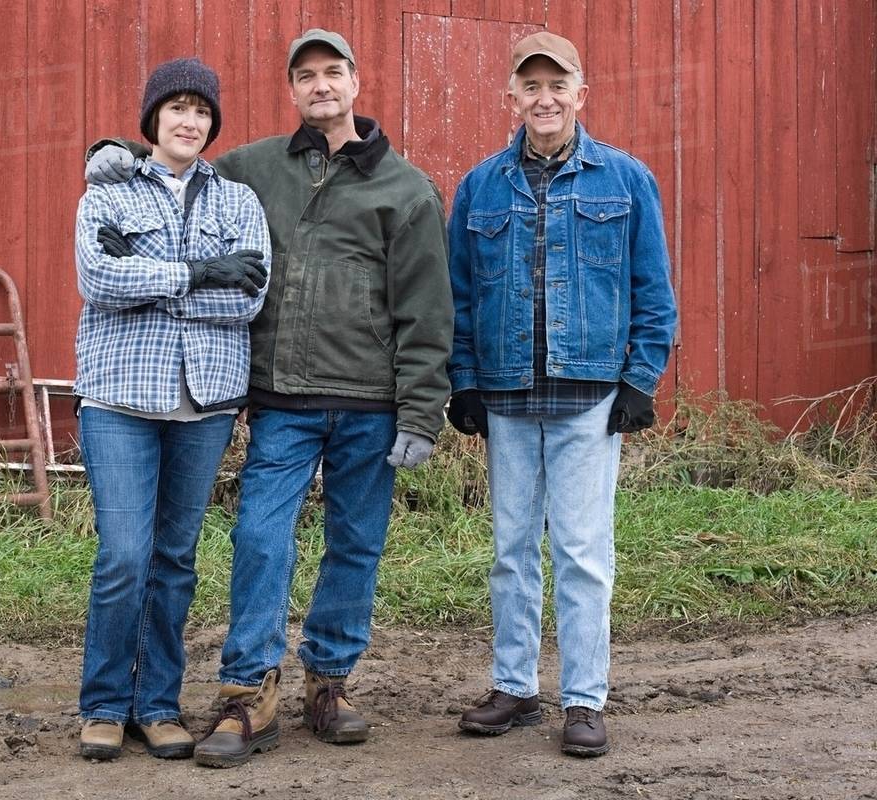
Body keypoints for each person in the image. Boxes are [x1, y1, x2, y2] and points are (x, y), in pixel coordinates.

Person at [86, 29, 452, 768]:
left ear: (355, 80)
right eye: (306, 75)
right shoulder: (254, 168)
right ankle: (249, 689)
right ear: (293, 91)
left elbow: (427, 311)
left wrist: (422, 409)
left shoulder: (406, 190)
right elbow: (176, 166)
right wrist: (115, 153)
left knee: (355, 543)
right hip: (282, 400)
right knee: (259, 538)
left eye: (333, 72)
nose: (321, 85)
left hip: (371, 403)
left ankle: (329, 682)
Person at [446, 31, 677, 757]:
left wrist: (639, 380)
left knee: (581, 551)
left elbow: (654, 292)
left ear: (582, 93)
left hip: (588, 401)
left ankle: (584, 699)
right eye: (530, 87)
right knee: (511, 551)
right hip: (509, 400)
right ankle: (514, 687)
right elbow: (456, 297)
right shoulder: (481, 187)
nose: (544, 99)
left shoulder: (626, 179)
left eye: (558, 85)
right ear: (511, 98)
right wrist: (465, 382)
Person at [73, 57, 271, 762]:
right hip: (120, 397)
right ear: (152, 119)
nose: (189, 121)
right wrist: (195, 271)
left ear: (212, 123)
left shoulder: (238, 203)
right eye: (176, 109)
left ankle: (157, 703)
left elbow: (247, 298)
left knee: (175, 558)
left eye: (201, 111)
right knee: (124, 556)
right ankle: (102, 704)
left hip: (205, 402)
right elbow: (98, 279)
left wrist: (149, 279)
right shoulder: (108, 190)